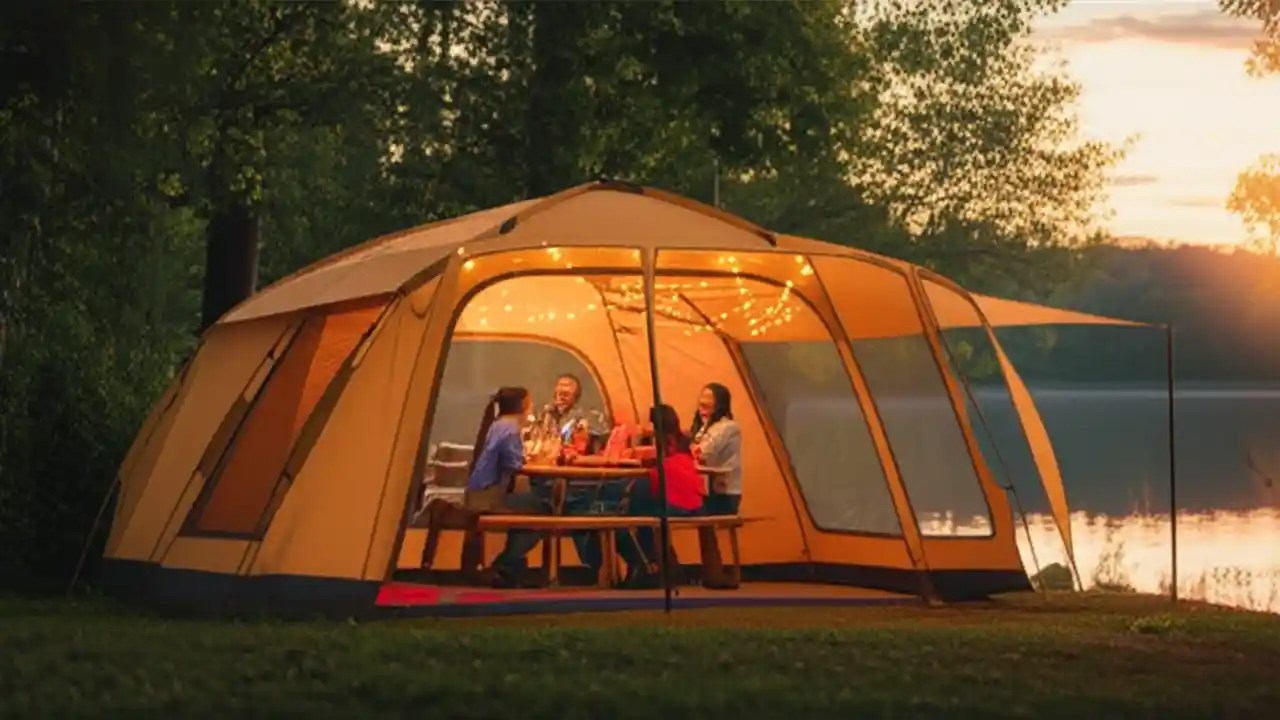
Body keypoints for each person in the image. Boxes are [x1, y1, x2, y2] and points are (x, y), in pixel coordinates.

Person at [616, 405, 706, 588]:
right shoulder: (682, 443)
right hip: (696, 503)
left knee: (630, 513)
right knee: (640, 509)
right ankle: (659, 566)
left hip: (675, 503)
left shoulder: (662, 446)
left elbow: (653, 469)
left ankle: (648, 567)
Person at [464, 386, 545, 588]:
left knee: (530, 507)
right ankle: (505, 565)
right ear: (523, 405)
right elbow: (514, 464)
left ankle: (511, 570)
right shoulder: (510, 428)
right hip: (488, 497)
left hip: (478, 493)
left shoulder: (499, 423)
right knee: (542, 511)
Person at [690, 383, 743, 515]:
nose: (702, 402)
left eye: (708, 400)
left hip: (724, 493)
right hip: (707, 490)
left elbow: (703, 453)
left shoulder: (727, 427)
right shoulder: (704, 428)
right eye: (701, 399)